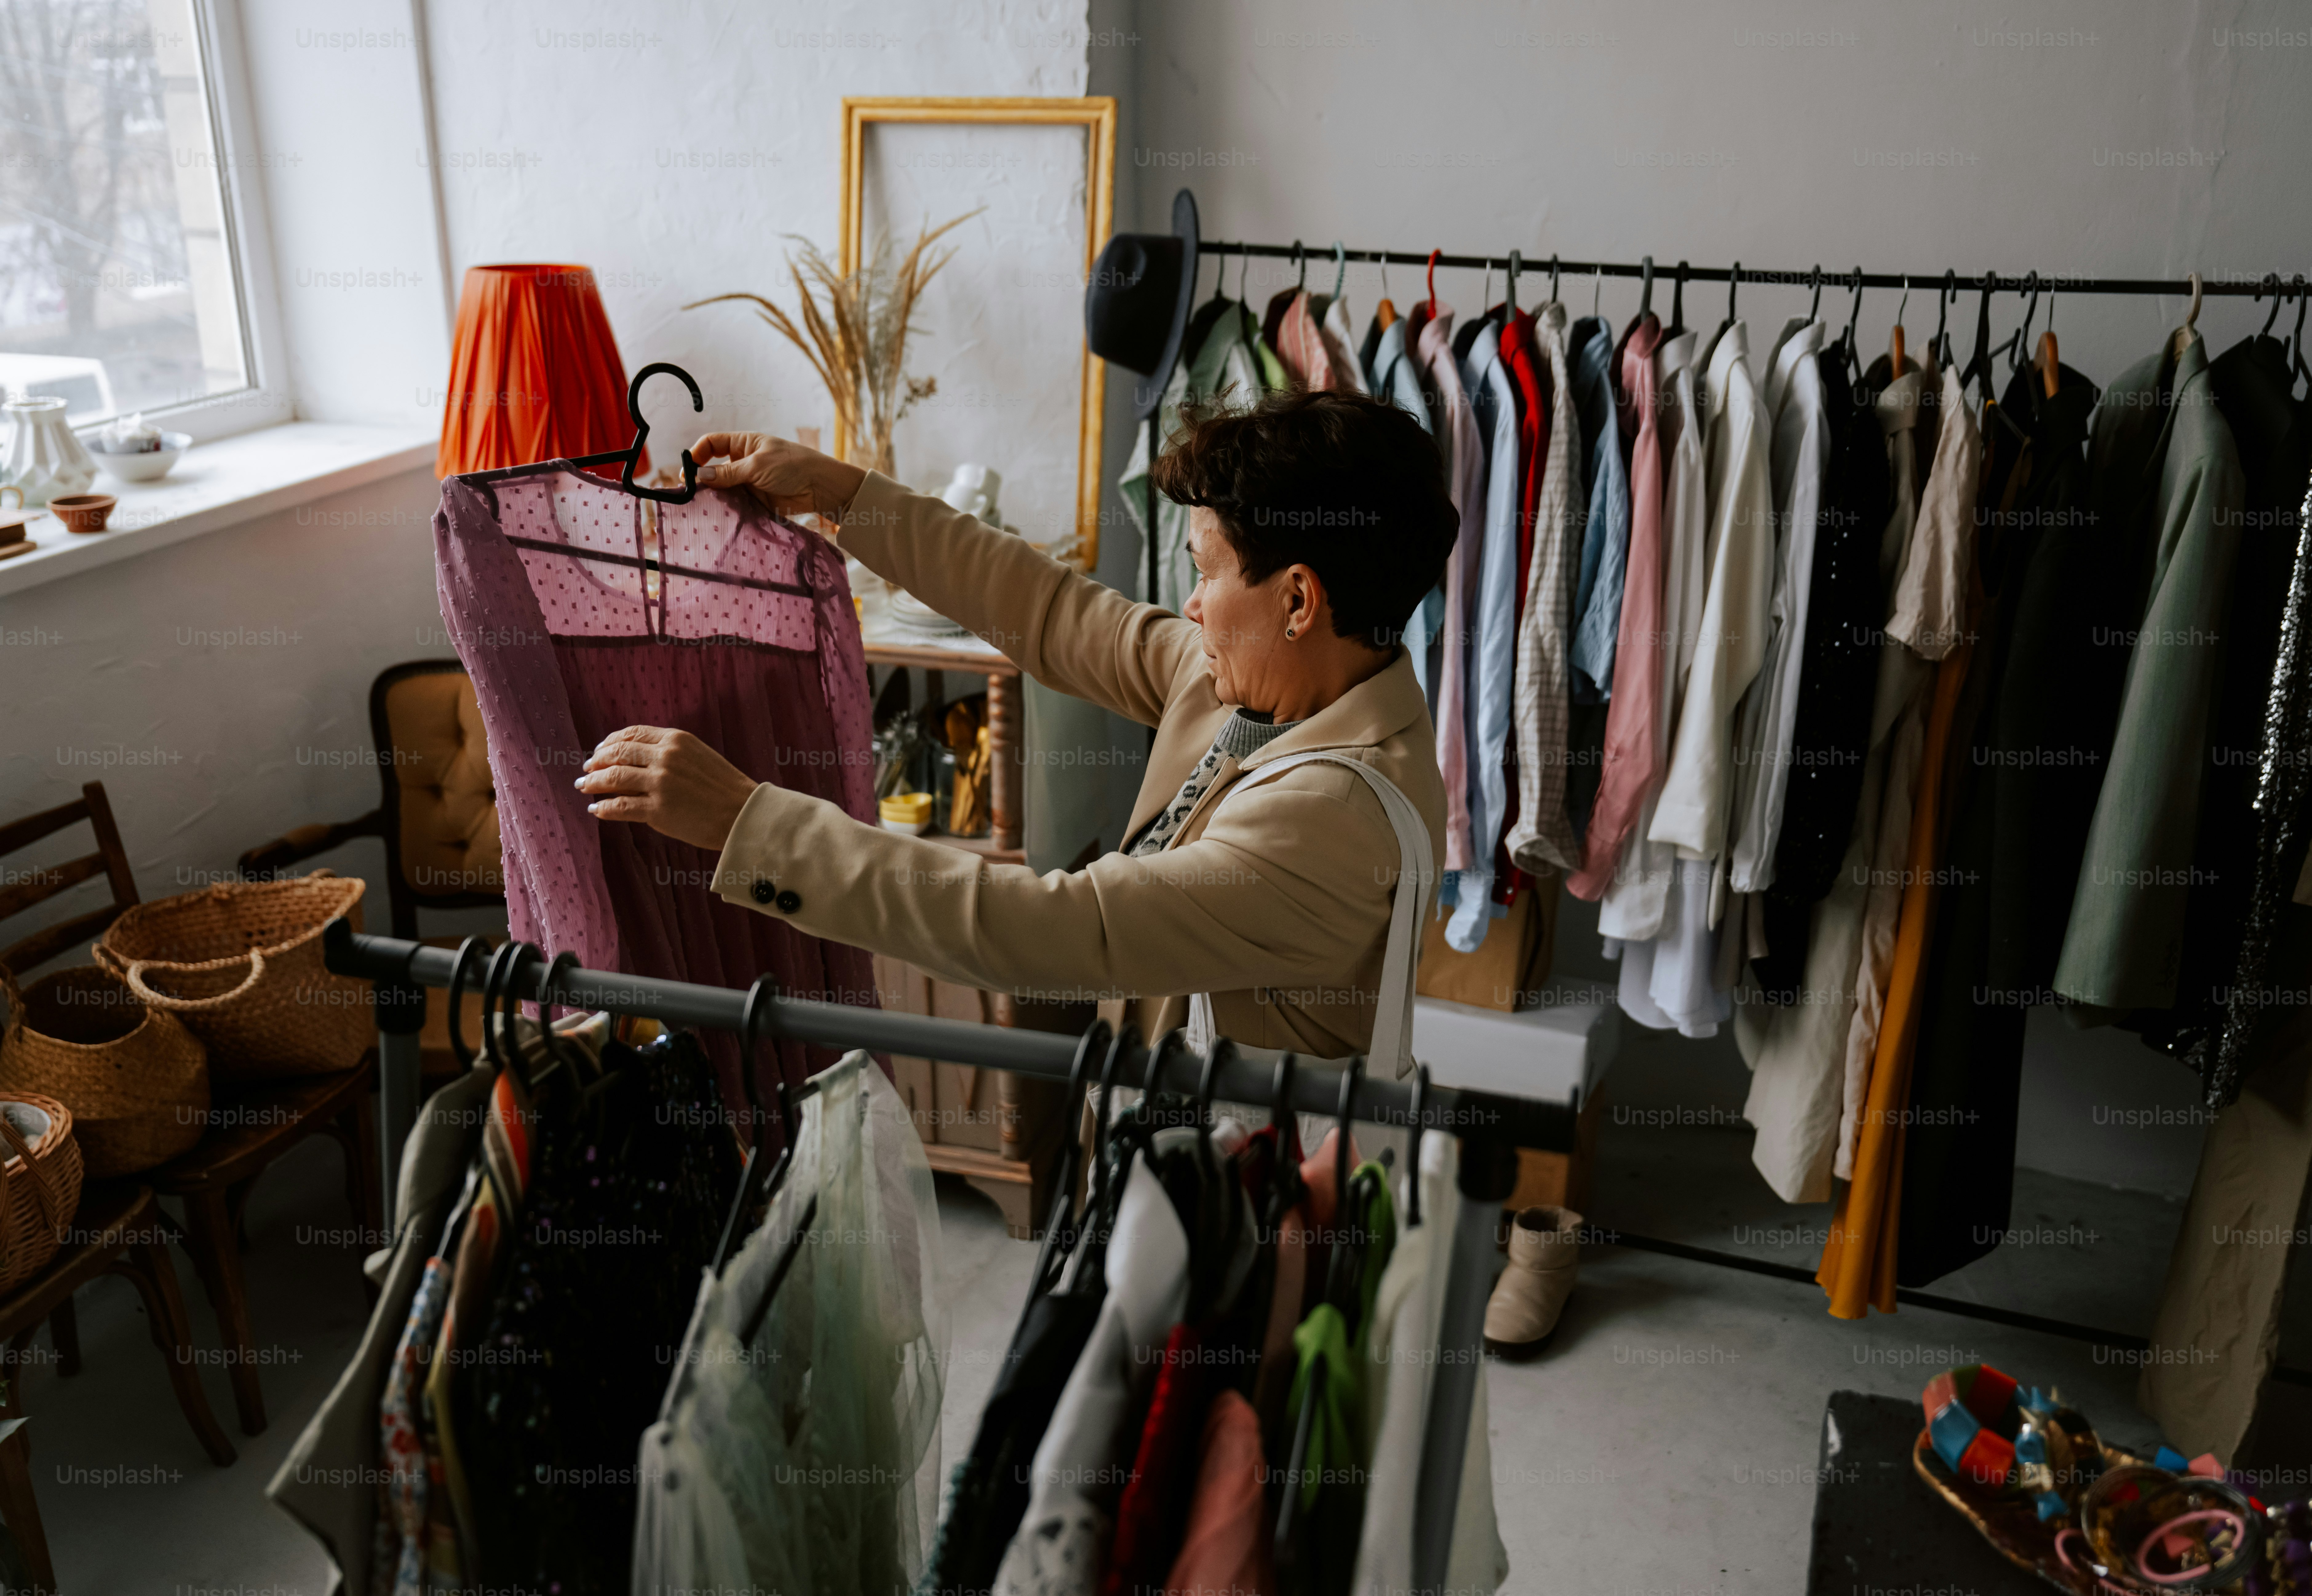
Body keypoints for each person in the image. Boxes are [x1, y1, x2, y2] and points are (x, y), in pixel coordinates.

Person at [574, 387, 1456, 1065]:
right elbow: (1050, 610)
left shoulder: (1331, 815)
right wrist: (843, 494)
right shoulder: (1267, 684)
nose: (1189, 606)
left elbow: (1045, 927)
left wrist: (748, 824)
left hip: (1258, 1235)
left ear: (1298, 600)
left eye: (1207, 572)